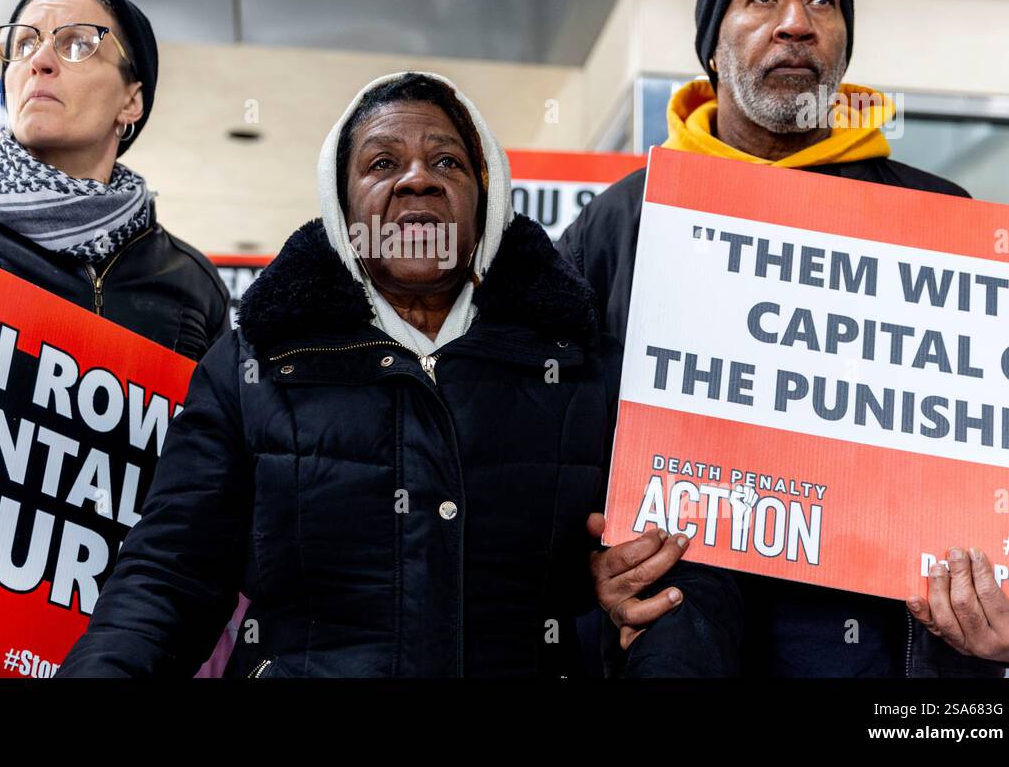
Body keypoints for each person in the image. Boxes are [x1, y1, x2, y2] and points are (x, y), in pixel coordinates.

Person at [57, 71, 688, 677]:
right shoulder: (253, 367)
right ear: (342, 208)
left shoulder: (582, 366)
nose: (418, 180)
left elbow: (638, 565)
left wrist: (614, 583)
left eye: (448, 162)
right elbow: (170, 574)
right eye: (382, 164)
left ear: (487, 201)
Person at [560, 0, 1009, 677]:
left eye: (822, 2)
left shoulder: (942, 217)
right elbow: (544, 442)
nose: (797, 23)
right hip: (686, 640)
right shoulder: (622, 221)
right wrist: (586, 577)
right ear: (712, 48)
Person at [0, 0, 230, 676]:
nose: (39, 60)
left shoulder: (191, 288)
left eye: (78, 44)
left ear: (131, 101)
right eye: (23, 43)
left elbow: (197, 504)